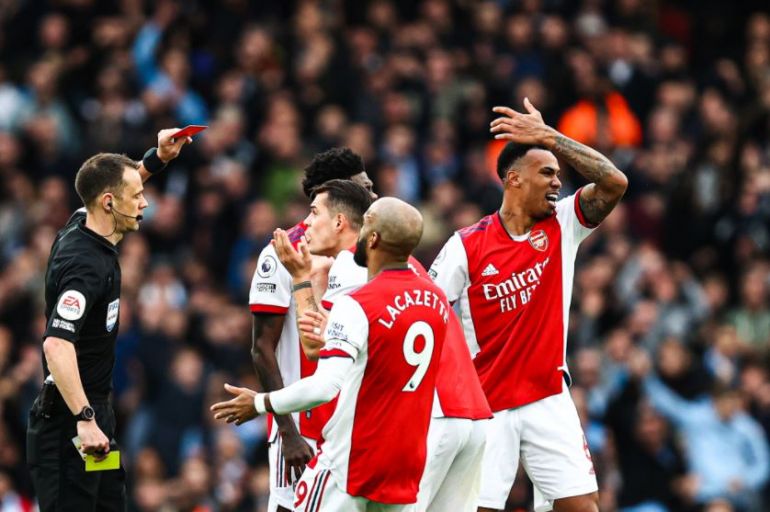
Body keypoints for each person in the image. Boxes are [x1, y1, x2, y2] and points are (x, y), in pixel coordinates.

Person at [429, 98, 628, 512]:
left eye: (558, 174)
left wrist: (550, 137)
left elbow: (614, 182)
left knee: (583, 506)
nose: (558, 182)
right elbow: (430, 314)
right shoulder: (466, 246)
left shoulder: (563, 223)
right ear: (513, 179)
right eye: (547, 172)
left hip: (548, 396)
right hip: (486, 406)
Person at [212, 198, 449, 511]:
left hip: (351, 462)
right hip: (404, 462)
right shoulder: (436, 298)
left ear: (373, 238)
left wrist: (259, 403)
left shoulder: (361, 304)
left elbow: (324, 385)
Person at [276, 200, 492, 511]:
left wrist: (301, 278)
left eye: (313, 212)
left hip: (428, 420)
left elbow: (314, 347)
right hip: (473, 413)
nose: (304, 225)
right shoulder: (407, 266)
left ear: (340, 221)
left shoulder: (355, 265)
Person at [26, 130, 191, 511]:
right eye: (137, 198)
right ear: (108, 203)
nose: (145, 203)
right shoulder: (84, 268)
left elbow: (121, 181)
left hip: (97, 415)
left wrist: (158, 158)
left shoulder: (84, 220)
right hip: (70, 425)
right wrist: (84, 419)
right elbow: (56, 343)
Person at [247, 148, 375, 512]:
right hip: (303, 424)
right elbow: (262, 348)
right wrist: (286, 431)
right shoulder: (281, 252)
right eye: (363, 188)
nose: (373, 196)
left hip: (353, 423)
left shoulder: (370, 255)